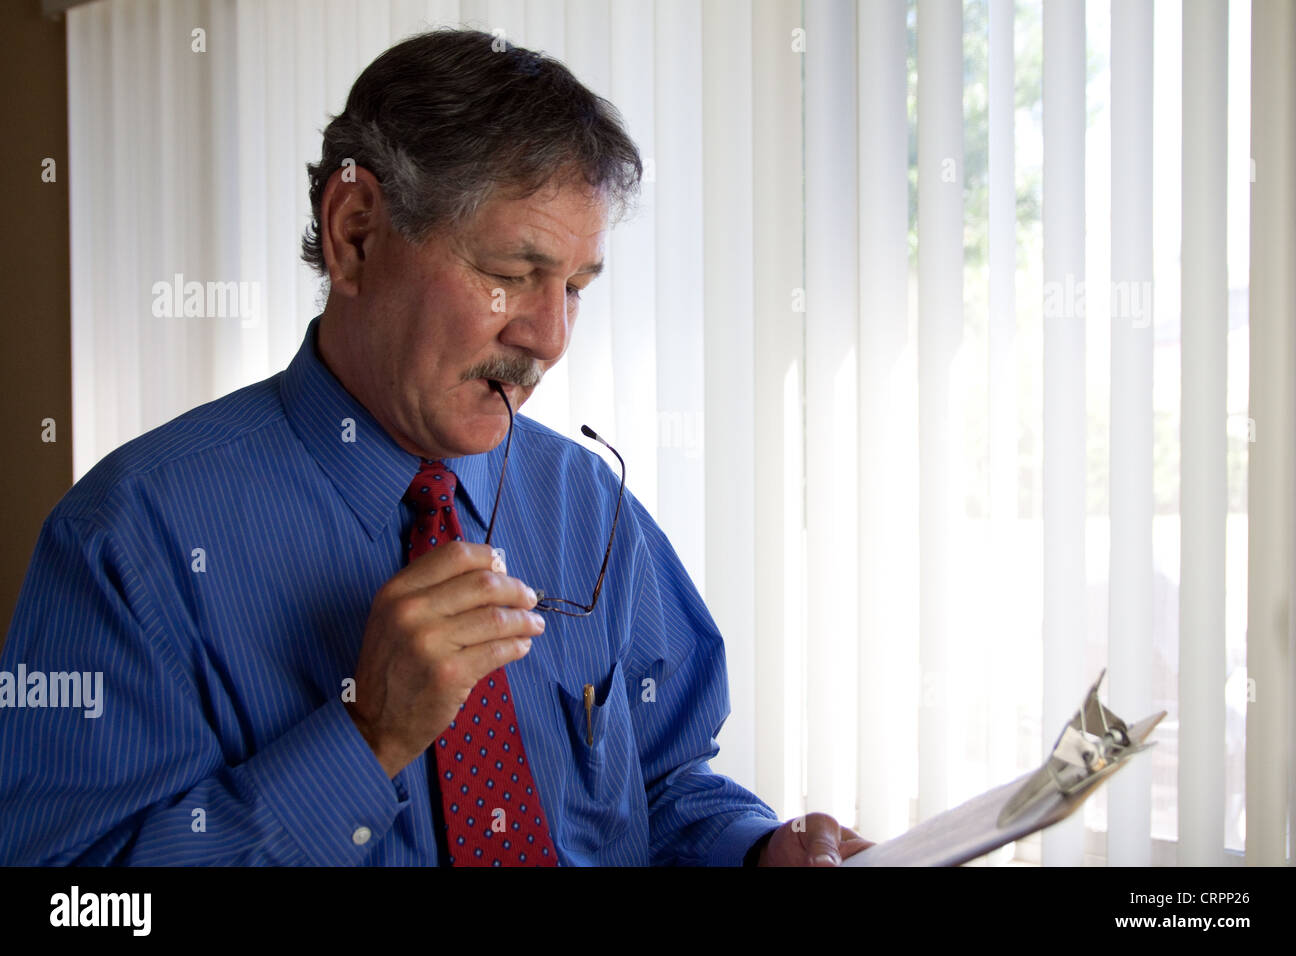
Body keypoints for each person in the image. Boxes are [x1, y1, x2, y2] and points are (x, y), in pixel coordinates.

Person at [0, 27, 869, 866]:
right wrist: (363, 740)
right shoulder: (127, 540)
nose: (550, 336)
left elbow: (665, 785)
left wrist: (753, 852)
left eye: (574, 285)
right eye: (509, 274)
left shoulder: (587, 504)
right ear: (355, 233)